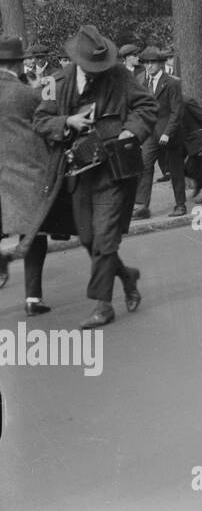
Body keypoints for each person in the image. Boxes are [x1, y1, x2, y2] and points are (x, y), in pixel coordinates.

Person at [34, 24, 156, 329]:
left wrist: (133, 130)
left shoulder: (120, 76)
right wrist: (68, 120)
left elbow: (147, 106)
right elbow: (40, 120)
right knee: (89, 239)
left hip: (113, 172)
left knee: (104, 237)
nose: (95, 72)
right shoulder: (55, 82)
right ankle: (127, 276)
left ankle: (103, 306)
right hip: (76, 174)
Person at [0, 37, 79, 312]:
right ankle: (33, 298)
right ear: (18, 63)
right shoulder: (26, 94)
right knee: (34, 232)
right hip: (27, 172)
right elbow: (46, 122)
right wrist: (67, 122)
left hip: (2, 174)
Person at [134, 46, 185, 218]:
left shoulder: (171, 83)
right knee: (145, 166)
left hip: (169, 134)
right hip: (150, 134)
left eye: (153, 63)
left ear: (160, 64)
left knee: (175, 169)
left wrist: (168, 132)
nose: (149, 66)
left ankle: (180, 204)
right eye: (146, 63)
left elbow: (177, 111)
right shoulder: (143, 82)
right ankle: (142, 206)